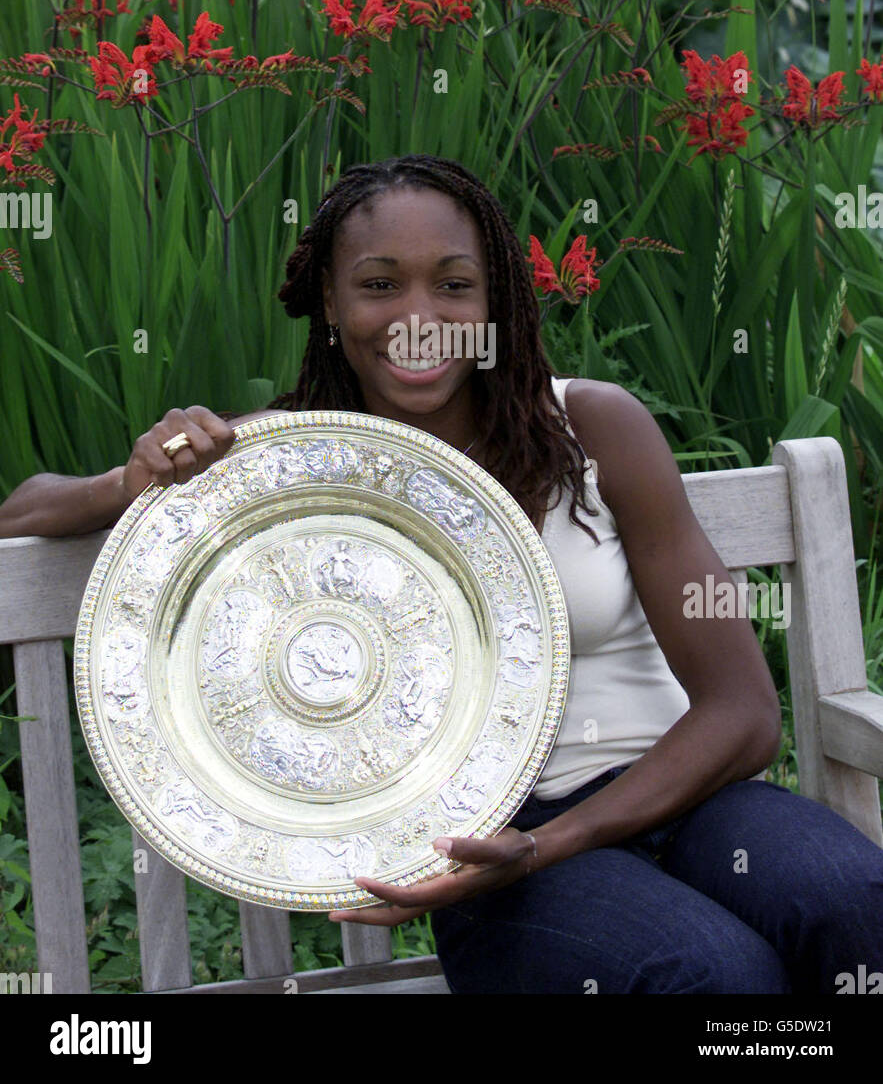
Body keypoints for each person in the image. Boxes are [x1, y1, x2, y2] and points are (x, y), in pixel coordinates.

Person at [2, 154, 882, 994]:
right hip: (492, 860)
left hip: (683, 794)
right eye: (380, 284)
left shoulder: (592, 427)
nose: (418, 315)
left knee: (855, 906)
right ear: (331, 305)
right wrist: (127, 481)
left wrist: (564, 840)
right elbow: (22, 513)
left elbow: (743, 712)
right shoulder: (286, 465)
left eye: (453, 284)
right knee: (713, 977)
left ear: (494, 298)